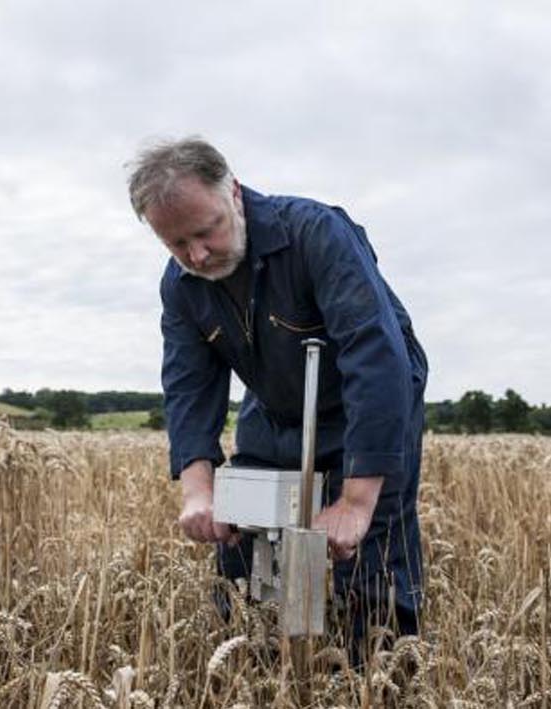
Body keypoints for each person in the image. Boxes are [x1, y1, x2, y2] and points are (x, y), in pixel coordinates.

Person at [127, 137, 428, 662]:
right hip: (273, 402)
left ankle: (379, 675)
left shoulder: (315, 233)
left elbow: (374, 354)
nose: (196, 255)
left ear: (235, 194)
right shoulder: (182, 285)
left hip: (370, 400)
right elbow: (188, 386)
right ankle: (260, 668)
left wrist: (355, 503)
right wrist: (198, 492)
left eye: (206, 231)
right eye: (177, 244)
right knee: (241, 538)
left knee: (370, 553)